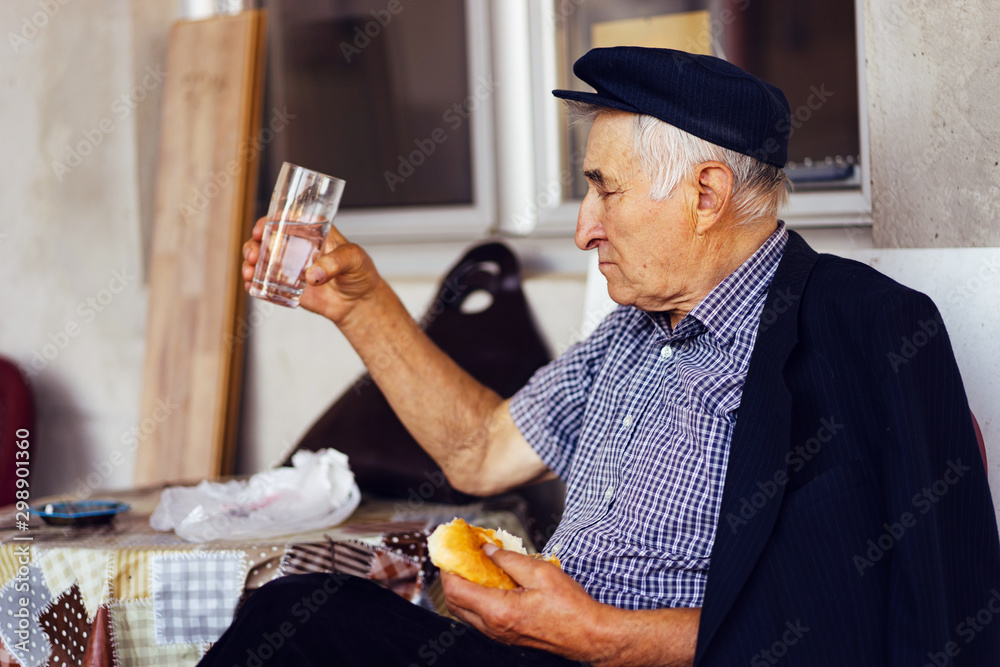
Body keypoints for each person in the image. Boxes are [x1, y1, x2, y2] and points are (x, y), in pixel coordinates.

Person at [201, 47, 1000, 666]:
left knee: (293, 628)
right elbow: (479, 450)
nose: (584, 229)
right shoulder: (631, 332)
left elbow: (861, 618)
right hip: (540, 649)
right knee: (292, 609)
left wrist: (600, 635)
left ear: (706, 194)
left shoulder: (857, 327)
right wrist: (361, 302)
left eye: (604, 190)